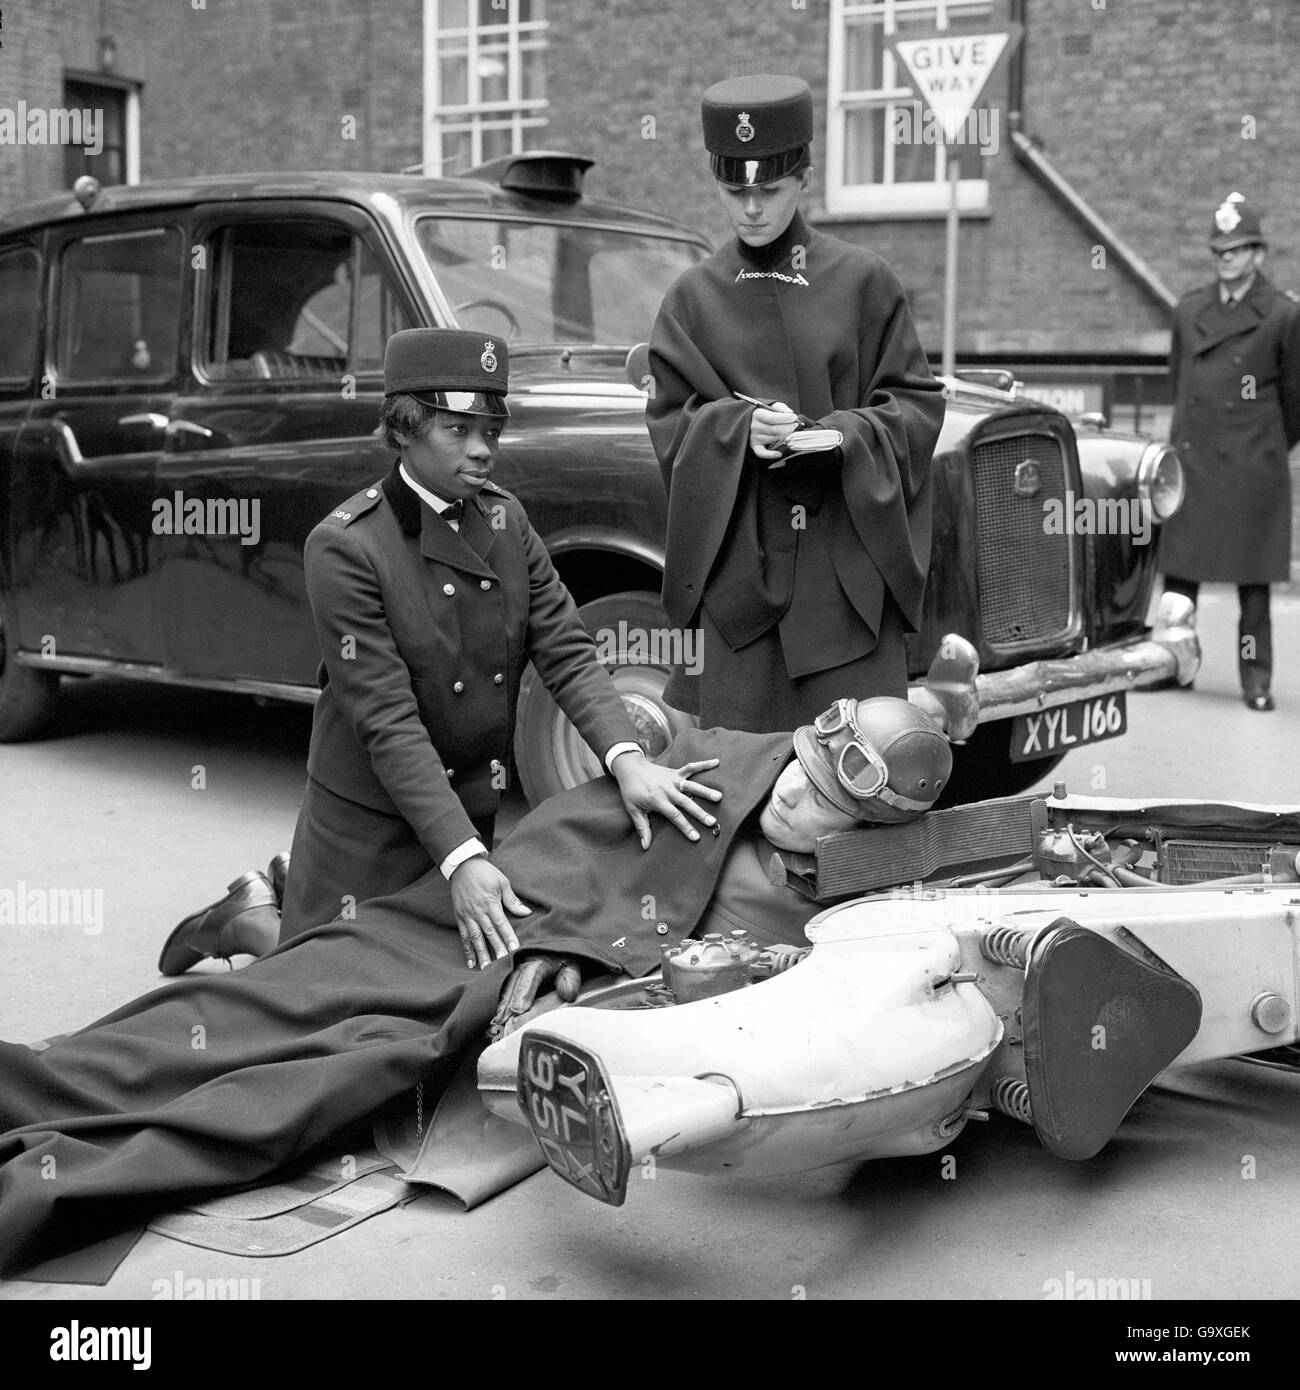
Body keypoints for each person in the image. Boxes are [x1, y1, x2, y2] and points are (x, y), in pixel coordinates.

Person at [0, 698, 952, 1274]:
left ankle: (257, 915)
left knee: (333, 1077)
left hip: (544, 991)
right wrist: (638, 743)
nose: (790, 793)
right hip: (490, 923)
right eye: (800, 767)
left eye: (822, 799)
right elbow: (637, 729)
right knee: (280, 1005)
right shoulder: (729, 763)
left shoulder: (852, 898)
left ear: (860, 831)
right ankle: (70, 1066)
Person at [159, 328, 720, 976]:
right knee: (316, 999)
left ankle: (275, 909)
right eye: (457, 430)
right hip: (370, 829)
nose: (483, 450)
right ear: (404, 429)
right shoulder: (346, 547)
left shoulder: (507, 522)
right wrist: (462, 858)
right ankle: (250, 917)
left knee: (434, 1000)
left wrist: (626, 757)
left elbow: (566, 649)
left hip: (466, 818)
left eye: (492, 430)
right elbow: (388, 721)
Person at [647, 73, 945, 733]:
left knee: (862, 786)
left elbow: (917, 406)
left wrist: (843, 435)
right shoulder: (693, 298)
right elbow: (671, 424)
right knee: (743, 795)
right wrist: (733, 430)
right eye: (734, 191)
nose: (751, 209)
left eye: (770, 190)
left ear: (804, 177)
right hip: (742, 600)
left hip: (846, 592)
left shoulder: (864, 281)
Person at [1160, 193, 1300, 712]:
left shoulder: (1284, 315)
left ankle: (1256, 680)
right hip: (1195, 459)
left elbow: (1295, 400)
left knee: (1253, 582)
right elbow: (1179, 383)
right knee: (1181, 578)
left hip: (1252, 464)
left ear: (1259, 254)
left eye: (1239, 249)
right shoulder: (1189, 310)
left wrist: (1264, 447)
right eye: (1221, 250)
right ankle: (1174, 665)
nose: (1228, 258)